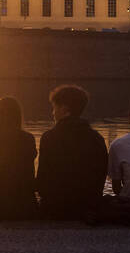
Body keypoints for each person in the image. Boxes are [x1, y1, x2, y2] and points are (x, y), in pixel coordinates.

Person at [35, 84, 107, 220]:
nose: (53, 113)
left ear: (64, 109)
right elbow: (100, 178)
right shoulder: (97, 139)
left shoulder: (49, 137)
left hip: (55, 208)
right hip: (87, 208)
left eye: (54, 107)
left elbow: (42, 181)